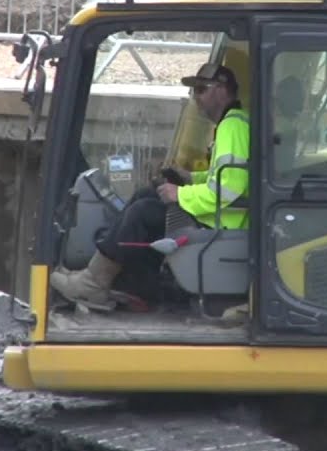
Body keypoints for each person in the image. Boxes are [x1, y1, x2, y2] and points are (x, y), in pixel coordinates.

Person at [51, 62, 251, 310]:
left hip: (224, 221)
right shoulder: (232, 124)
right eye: (194, 91)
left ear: (222, 91)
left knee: (142, 213)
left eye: (201, 90)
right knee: (145, 195)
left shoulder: (232, 126)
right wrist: (189, 177)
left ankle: (94, 284)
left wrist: (180, 194)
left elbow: (230, 188)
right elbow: (223, 177)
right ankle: (104, 277)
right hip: (218, 213)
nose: (195, 97)